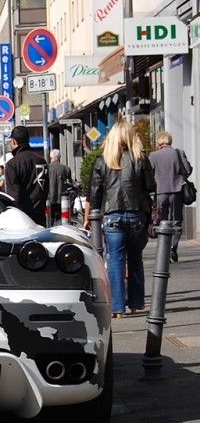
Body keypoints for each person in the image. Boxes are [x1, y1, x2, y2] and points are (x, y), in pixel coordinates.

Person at [84, 118, 155, 318]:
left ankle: (117, 308)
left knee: (114, 259)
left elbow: (95, 192)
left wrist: (92, 215)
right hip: (136, 215)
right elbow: (150, 187)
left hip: (112, 215)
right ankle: (136, 302)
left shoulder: (103, 160)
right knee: (135, 258)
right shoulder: (140, 158)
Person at [150, 131, 193, 262]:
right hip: (177, 191)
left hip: (161, 192)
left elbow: (148, 174)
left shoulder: (153, 155)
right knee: (176, 220)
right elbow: (188, 169)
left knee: (162, 221)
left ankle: (165, 248)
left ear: (159, 143)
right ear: (170, 141)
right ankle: (173, 248)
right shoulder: (178, 153)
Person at [4, 126, 48, 225]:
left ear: (14, 142)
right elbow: (45, 189)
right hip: (40, 218)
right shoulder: (41, 161)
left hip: (22, 221)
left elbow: (14, 197)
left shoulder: (12, 164)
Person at [48, 149, 73, 225]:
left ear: (50, 157)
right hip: (62, 199)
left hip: (49, 199)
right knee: (61, 219)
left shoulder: (47, 168)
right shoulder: (66, 169)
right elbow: (70, 183)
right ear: (59, 157)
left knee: (49, 219)